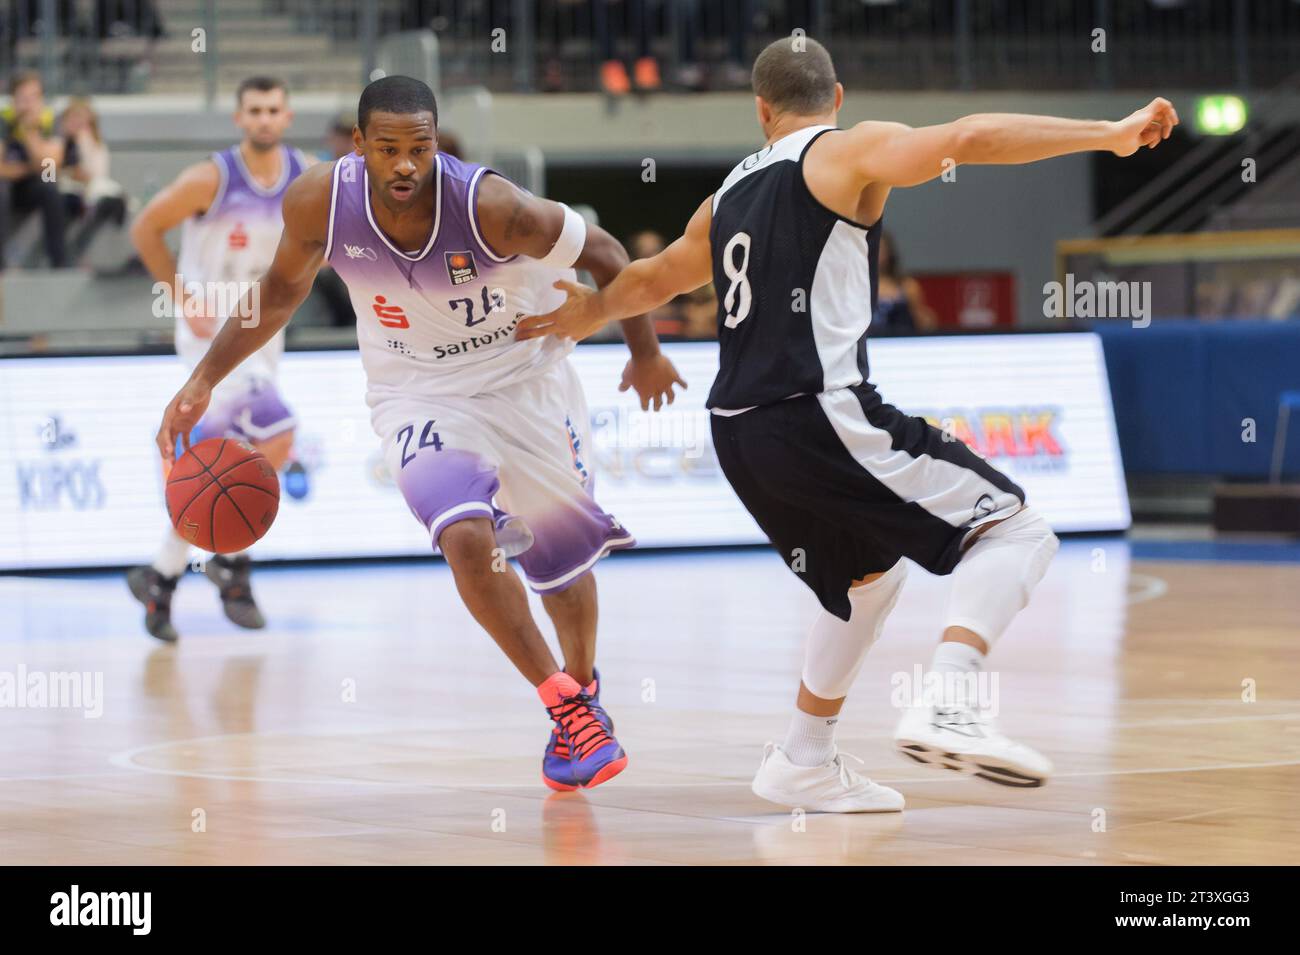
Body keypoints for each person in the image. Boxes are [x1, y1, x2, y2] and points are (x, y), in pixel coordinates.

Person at [518, 36, 1178, 811]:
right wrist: (1108, 134)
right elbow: (967, 138)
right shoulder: (844, 151)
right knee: (1016, 530)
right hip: (816, 409)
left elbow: (655, 277)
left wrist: (589, 311)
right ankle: (952, 699)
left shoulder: (726, 194)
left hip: (738, 431)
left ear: (760, 111)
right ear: (837, 98)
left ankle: (803, 756)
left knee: (865, 585)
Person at [154, 76, 685, 791]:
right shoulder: (319, 200)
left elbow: (611, 253)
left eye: (420, 148)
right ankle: (565, 706)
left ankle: (583, 688)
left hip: (523, 379)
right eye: (389, 149)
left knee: (560, 571)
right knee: (464, 535)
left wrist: (643, 350)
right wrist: (203, 379)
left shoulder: (492, 206)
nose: (406, 164)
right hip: (416, 392)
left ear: (436, 144)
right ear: (360, 147)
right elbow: (280, 292)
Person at [127, 76, 313, 642]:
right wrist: (181, 295)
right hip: (213, 334)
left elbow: (326, 243)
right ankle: (231, 565)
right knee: (277, 433)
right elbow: (145, 228)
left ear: (287, 116)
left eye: (273, 109)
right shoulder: (212, 176)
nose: (263, 118)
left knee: (217, 469)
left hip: (266, 327)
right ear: (239, 118)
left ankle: (161, 577)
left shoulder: (306, 175)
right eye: (253, 109)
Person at [0, 70, 77, 270]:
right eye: (23, 98)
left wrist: (29, 133)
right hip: (8, 186)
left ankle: (59, 263)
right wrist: (29, 168)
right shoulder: (3, 120)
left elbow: (50, 167)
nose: (29, 104)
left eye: (34, 97)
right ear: (13, 100)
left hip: (33, 184)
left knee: (50, 187)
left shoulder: (51, 121)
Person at [58, 98, 128, 260]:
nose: (78, 125)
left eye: (83, 122)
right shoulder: (57, 144)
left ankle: (78, 250)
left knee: (110, 202)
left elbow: (96, 175)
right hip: (67, 194)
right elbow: (51, 175)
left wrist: (84, 143)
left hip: (93, 193)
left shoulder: (94, 144)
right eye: (74, 119)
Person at [872, 231, 937, 334]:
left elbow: (925, 321)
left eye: (881, 249)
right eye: (872, 248)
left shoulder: (907, 285)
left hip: (901, 342)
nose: (876, 253)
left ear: (889, 253)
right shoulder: (855, 287)